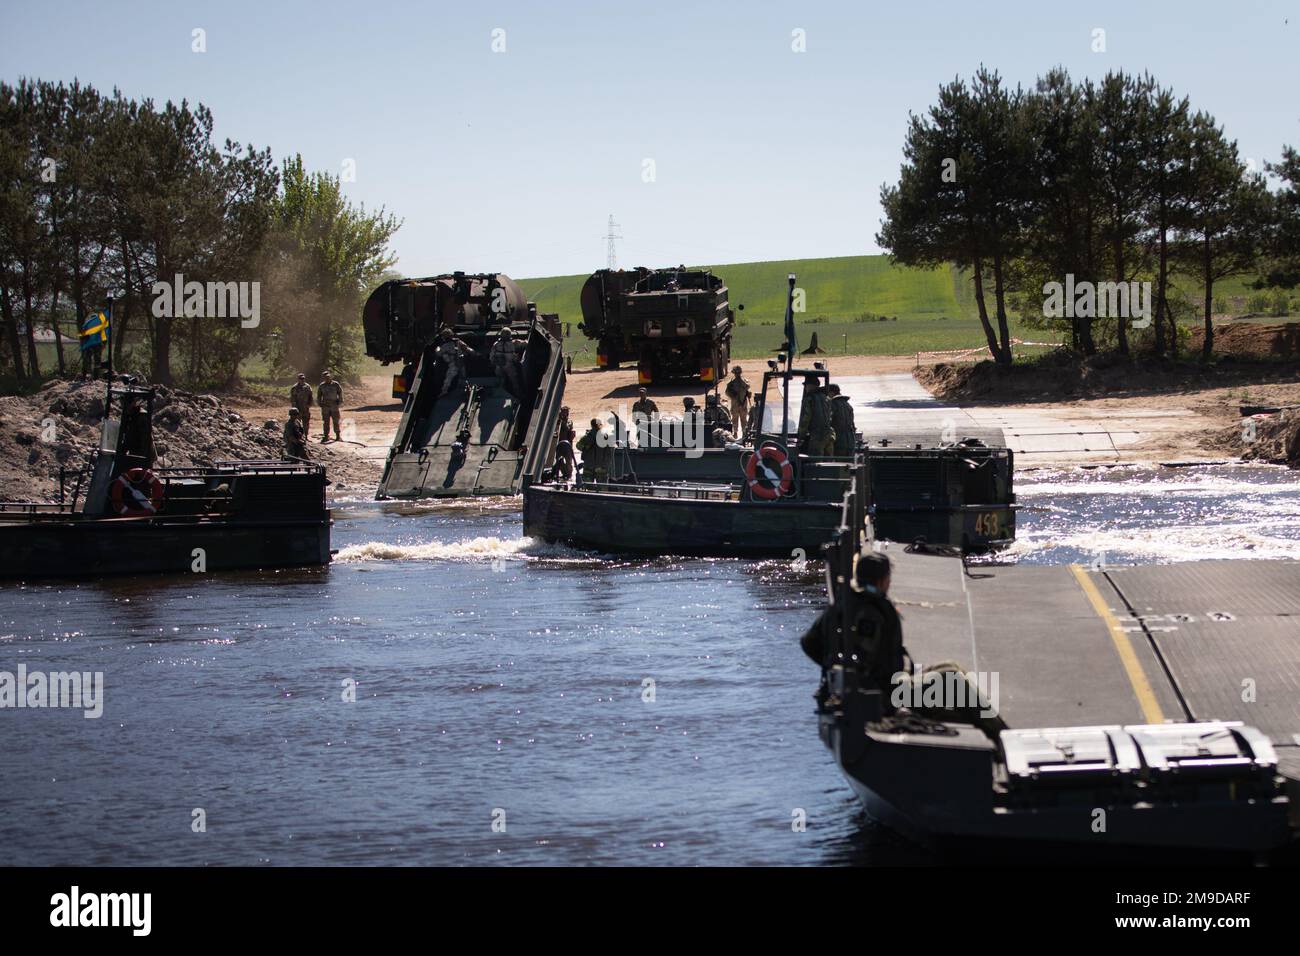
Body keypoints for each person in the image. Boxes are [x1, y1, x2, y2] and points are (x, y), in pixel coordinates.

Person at [797, 375, 835, 457]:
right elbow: (830, 417)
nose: (805, 388)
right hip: (829, 435)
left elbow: (805, 419)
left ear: (810, 386)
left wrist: (800, 436)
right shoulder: (826, 398)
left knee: (815, 462)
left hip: (817, 436)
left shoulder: (809, 399)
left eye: (806, 386)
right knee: (829, 463)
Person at [435, 327, 478, 398]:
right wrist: (474, 353)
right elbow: (467, 348)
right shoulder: (458, 342)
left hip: (453, 365)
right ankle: (467, 387)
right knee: (463, 377)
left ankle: (444, 392)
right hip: (461, 363)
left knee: (448, 380)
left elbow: (439, 353)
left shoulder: (444, 346)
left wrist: (437, 348)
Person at [118, 395, 156, 468]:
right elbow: (128, 436)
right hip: (134, 452)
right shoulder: (129, 416)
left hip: (142, 454)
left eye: (126, 404)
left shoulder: (142, 416)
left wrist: (141, 458)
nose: (123, 406)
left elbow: (145, 439)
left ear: (132, 403)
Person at [576, 417, 613, 484]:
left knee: (587, 488)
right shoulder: (605, 436)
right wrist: (606, 465)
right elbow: (609, 452)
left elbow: (578, 446)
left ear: (592, 425)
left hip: (588, 465)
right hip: (601, 467)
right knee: (602, 488)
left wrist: (585, 448)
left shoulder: (587, 436)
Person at [489, 328, 523, 399]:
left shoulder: (496, 344)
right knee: (514, 382)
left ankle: (501, 395)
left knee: (501, 380)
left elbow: (491, 356)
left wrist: (493, 363)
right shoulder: (514, 343)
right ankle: (518, 396)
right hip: (509, 367)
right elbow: (525, 343)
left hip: (498, 367)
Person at [827, 383, 857, 457]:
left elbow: (828, 422)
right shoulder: (847, 405)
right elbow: (852, 425)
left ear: (831, 393)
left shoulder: (833, 404)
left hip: (839, 442)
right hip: (850, 441)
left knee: (839, 464)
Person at [724, 366, 752, 440]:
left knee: (739, 419)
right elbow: (727, 392)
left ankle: (740, 433)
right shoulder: (736, 382)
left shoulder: (735, 382)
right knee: (739, 419)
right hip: (739, 403)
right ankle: (740, 433)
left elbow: (748, 387)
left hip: (739, 403)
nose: (737, 374)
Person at [317, 370, 343, 443]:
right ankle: (326, 436)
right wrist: (320, 404)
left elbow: (340, 393)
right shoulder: (322, 386)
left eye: (328, 377)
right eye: (325, 377)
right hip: (325, 406)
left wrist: (339, 401)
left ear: (330, 377)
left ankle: (338, 436)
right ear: (323, 378)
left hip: (334, 406)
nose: (327, 379)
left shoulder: (335, 384)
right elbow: (319, 395)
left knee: (336, 421)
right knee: (326, 422)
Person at [553, 406, 577, 481]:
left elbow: (567, 427)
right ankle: (564, 473)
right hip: (559, 443)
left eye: (567, 412)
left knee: (568, 460)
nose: (566, 413)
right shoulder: (557, 420)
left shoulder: (569, 421)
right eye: (564, 411)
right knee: (559, 459)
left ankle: (569, 474)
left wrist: (562, 420)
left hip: (567, 444)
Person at [290, 372, 313, 436]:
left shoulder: (307, 386)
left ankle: (306, 436)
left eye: (303, 379)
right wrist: (295, 409)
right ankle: (299, 436)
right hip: (298, 409)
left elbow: (311, 396)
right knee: (298, 423)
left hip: (305, 408)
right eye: (301, 379)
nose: (302, 380)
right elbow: (292, 399)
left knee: (306, 423)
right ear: (298, 379)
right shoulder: (294, 388)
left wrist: (309, 404)